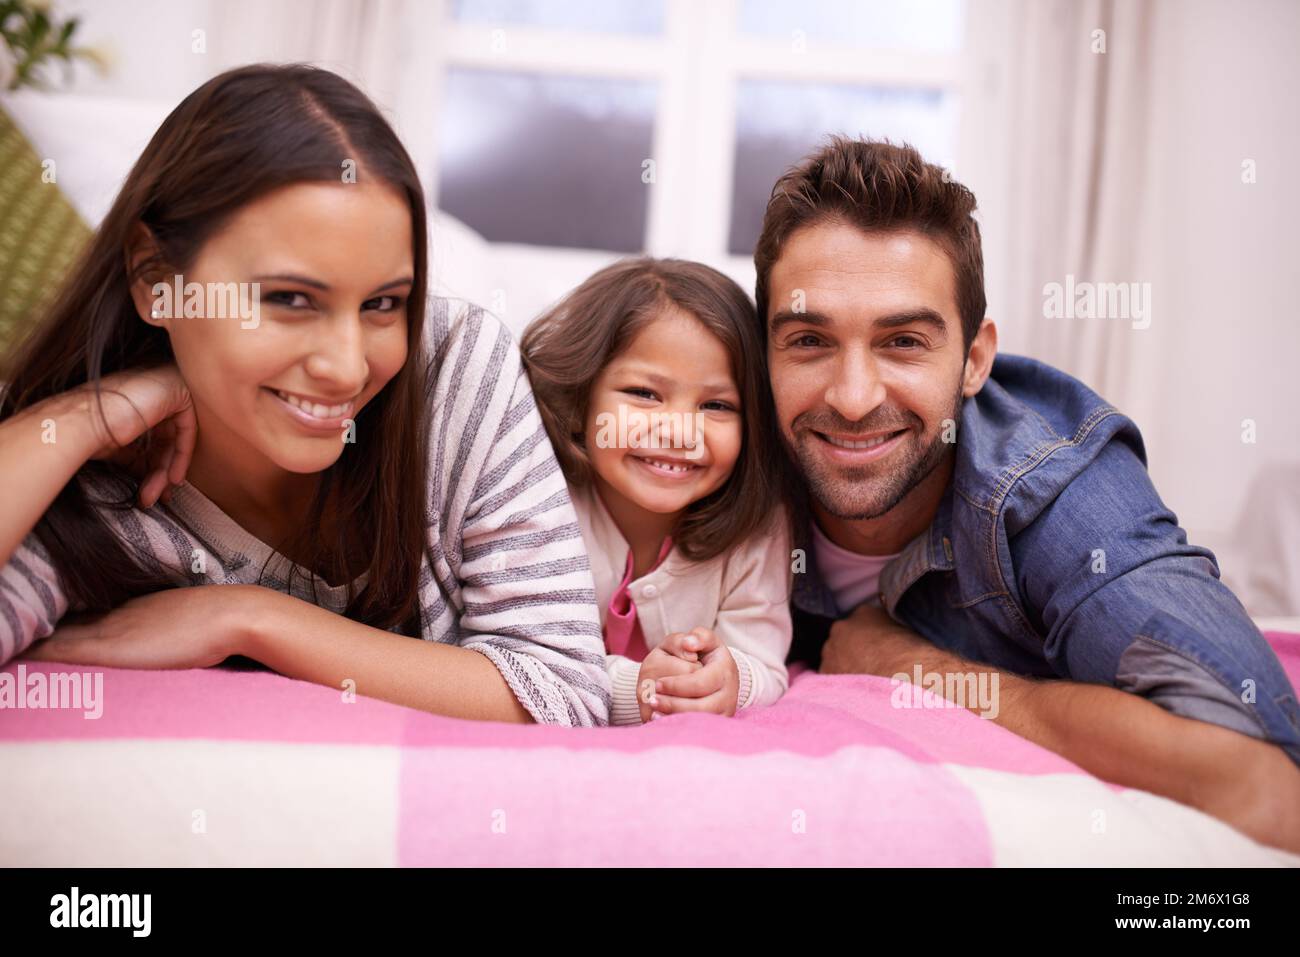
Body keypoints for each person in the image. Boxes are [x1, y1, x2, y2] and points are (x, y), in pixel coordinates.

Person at [0, 64, 610, 727]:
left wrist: (249, 618)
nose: (346, 368)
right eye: (291, 299)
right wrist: (77, 417)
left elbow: (564, 692)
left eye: (383, 303)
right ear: (154, 278)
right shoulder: (87, 489)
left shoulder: (455, 370)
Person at [758, 135, 1300, 851]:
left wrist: (911, 668)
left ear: (975, 359)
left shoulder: (1057, 491)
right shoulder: (717, 447)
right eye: (808, 341)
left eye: (903, 343)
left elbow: (1266, 789)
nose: (854, 399)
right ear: (759, 350)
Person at [522, 258, 792, 725]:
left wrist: (730, 679)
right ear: (581, 398)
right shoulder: (542, 498)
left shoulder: (758, 528)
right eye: (645, 394)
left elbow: (764, 663)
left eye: (716, 405)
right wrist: (640, 688)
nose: (679, 431)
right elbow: (522, 658)